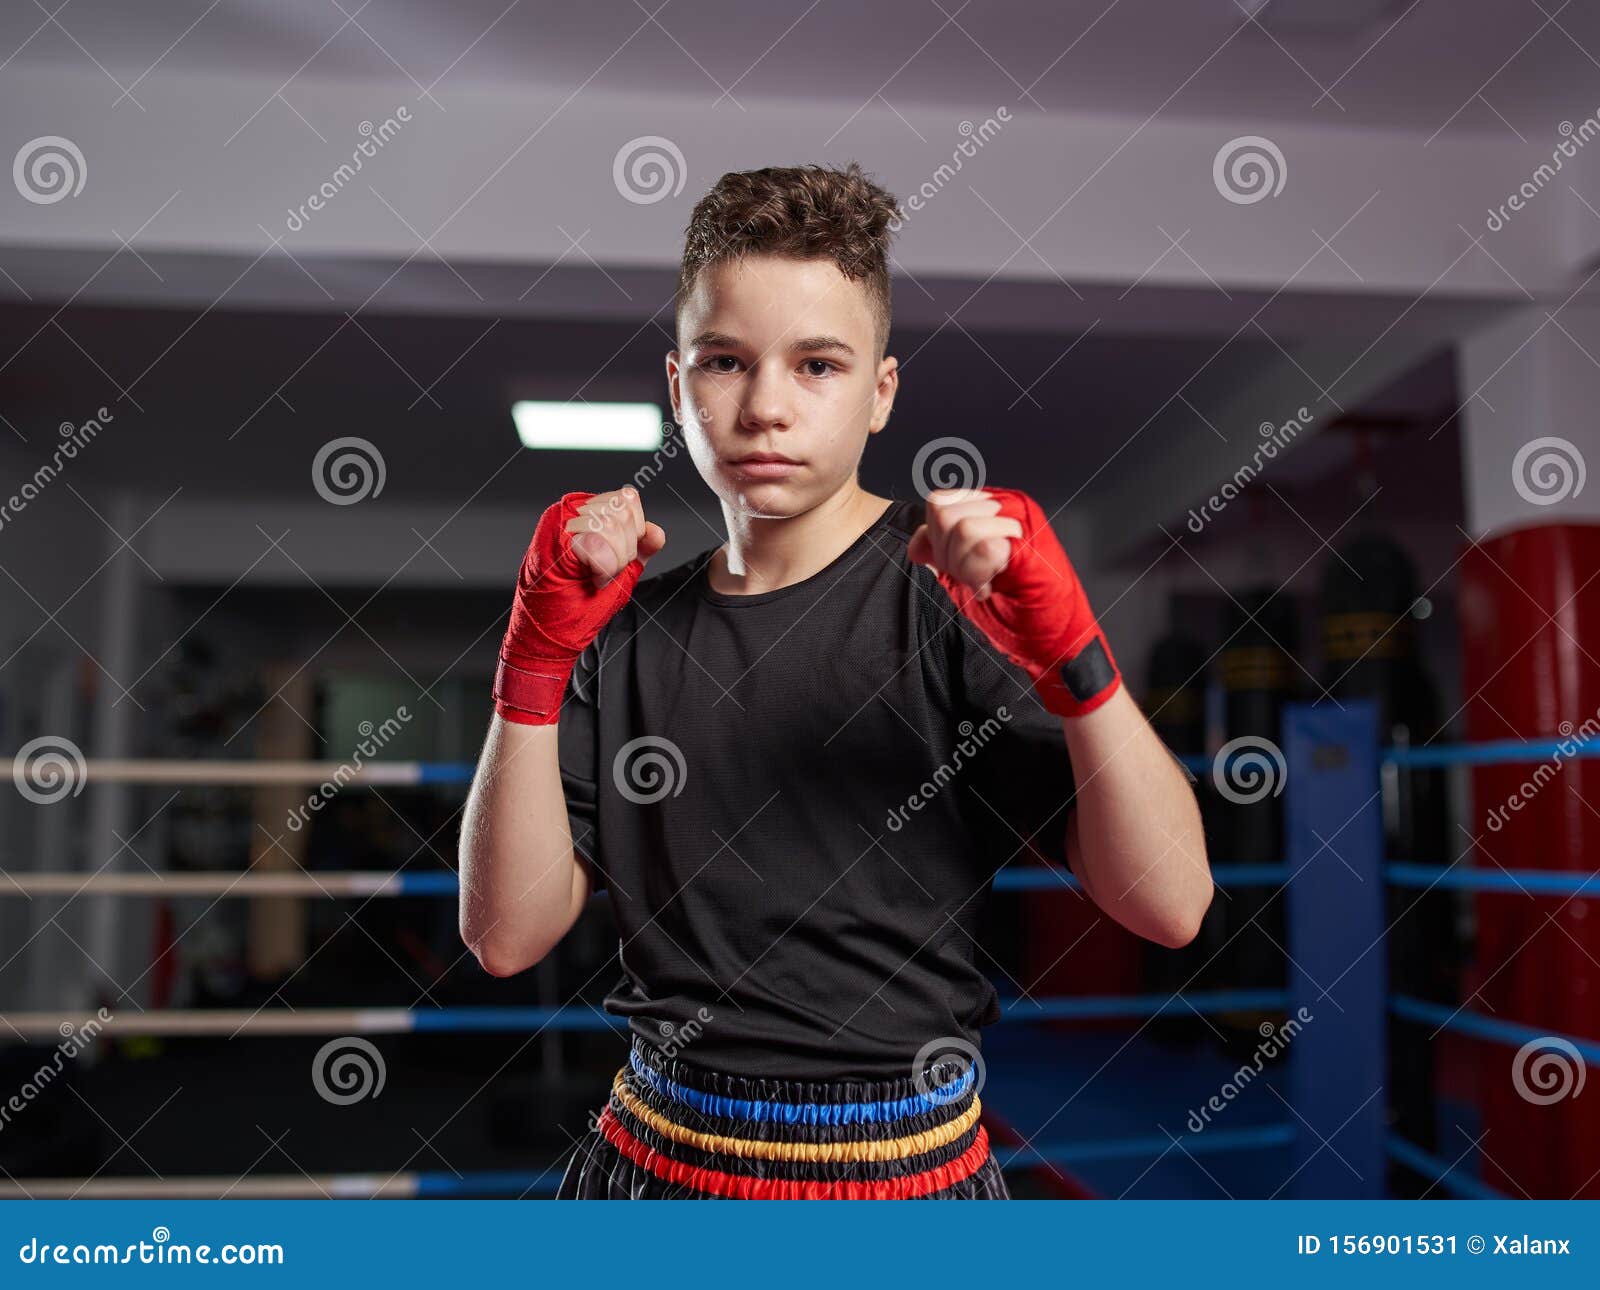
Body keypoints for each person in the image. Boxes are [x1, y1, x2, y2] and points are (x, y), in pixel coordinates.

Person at [458, 162, 1212, 1200]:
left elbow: (1170, 908)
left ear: (880, 394)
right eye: (725, 361)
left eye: (817, 365)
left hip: (905, 1181)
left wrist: (1080, 668)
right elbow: (505, 937)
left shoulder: (955, 593)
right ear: (677, 389)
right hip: (655, 1170)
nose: (766, 406)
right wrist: (532, 669)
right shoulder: (616, 626)